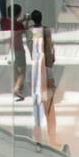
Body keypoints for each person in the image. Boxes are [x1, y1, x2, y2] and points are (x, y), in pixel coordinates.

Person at [27, 9, 59, 147]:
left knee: (37, 110)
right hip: (46, 68)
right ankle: (52, 139)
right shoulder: (46, 31)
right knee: (50, 109)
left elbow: (29, 47)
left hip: (35, 71)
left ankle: (38, 141)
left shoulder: (30, 31)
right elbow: (50, 47)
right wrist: (51, 59)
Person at [9, 3, 27, 99]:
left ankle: (18, 85)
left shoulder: (4, 22)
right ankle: (17, 88)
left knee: (14, 67)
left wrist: (22, 20)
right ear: (19, 14)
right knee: (22, 70)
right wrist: (26, 20)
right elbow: (25, 29)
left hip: (10, 50)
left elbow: (14, 23)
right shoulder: (19, 25)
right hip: (19, 50)